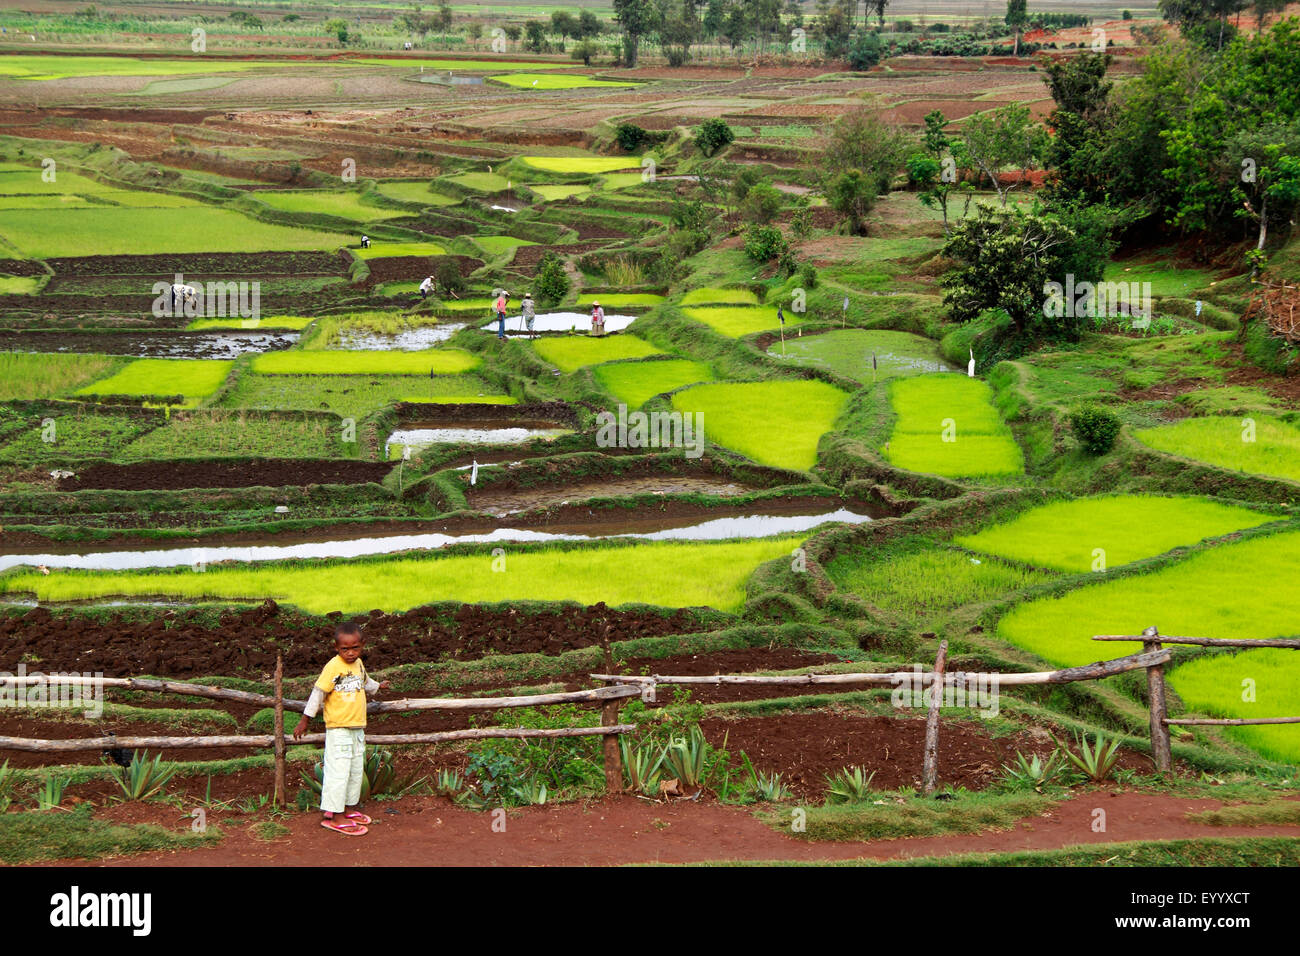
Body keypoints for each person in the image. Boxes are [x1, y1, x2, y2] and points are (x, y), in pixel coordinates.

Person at [293, 623, 390, 836]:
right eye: (345, 649)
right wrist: (305, 720)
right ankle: (334, 816)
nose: (350, 653)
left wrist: (378, 687)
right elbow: (318, 693)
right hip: (339, 729)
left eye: (355, 648)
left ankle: (346, 809)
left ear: (362, 645)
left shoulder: (358, 664)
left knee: (355, 771)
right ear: (336, 647)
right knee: (339, 772)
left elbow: (365, 681)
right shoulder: (333, 667)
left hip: (356, 727)